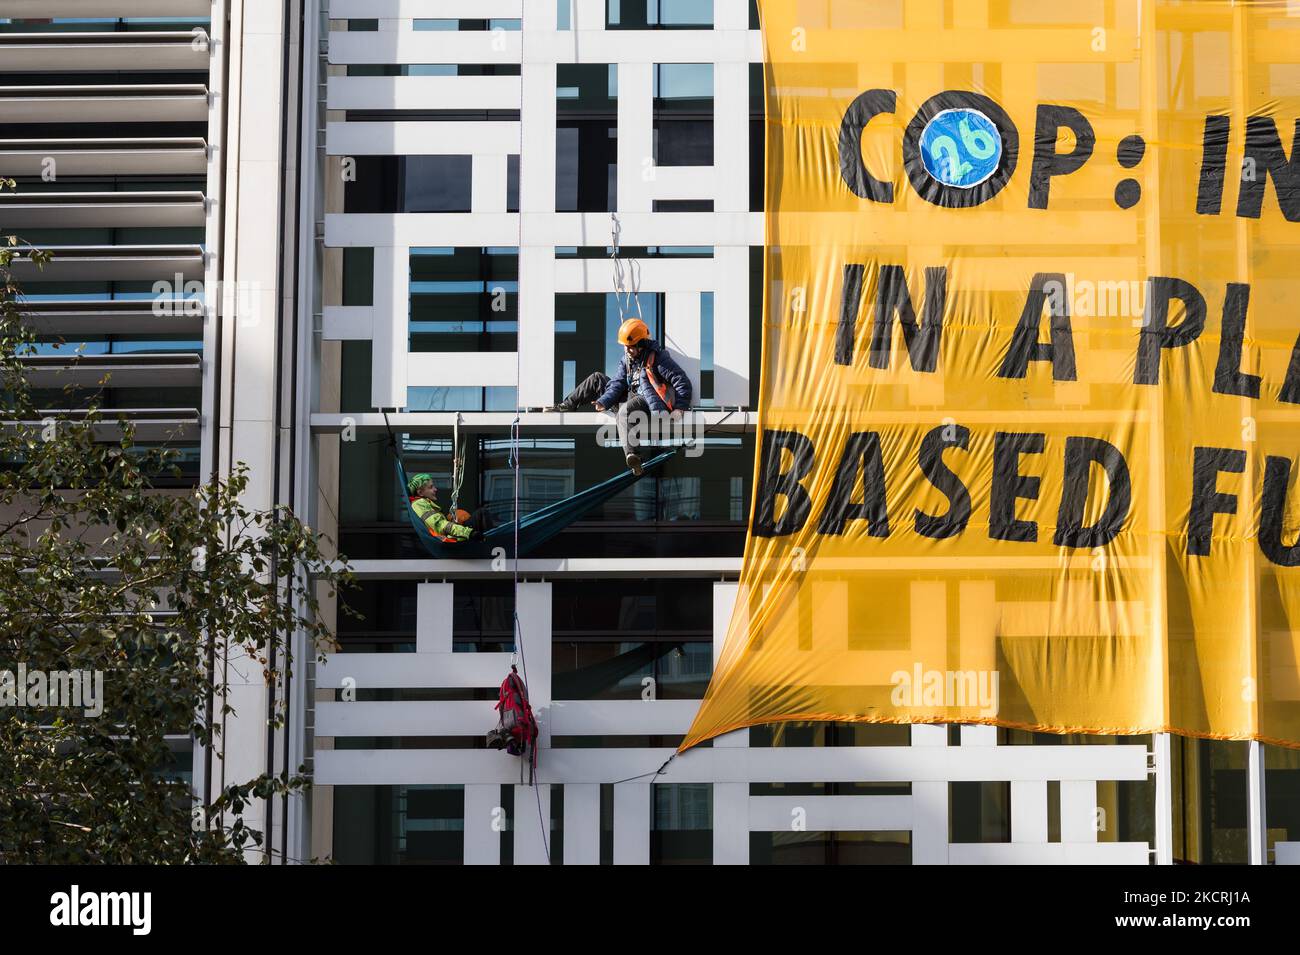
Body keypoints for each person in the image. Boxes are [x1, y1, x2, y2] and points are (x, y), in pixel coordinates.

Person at [547, 317, 692, 474]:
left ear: (641, 345)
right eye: (625, 347)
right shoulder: (626, 360)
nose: (627, 350)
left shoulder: (658, 358)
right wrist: (604, 400)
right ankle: (566, 406)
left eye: (630, 347)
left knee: (624, 412)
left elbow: (681, 381)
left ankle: (633, 455)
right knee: (597, 379)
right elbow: (617, 383)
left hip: (647, 402)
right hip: (629, 397)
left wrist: (680, 408)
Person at [406, 472, 494, 541]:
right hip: (450, 539)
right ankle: (493, 541)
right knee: (482, 513)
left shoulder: (420, 504)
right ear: (420, 492)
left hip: (451, 536)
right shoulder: (419, 504)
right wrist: (469, 533)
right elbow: (440, 525)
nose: (435, 489)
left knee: (479, 515)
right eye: (431, 487)